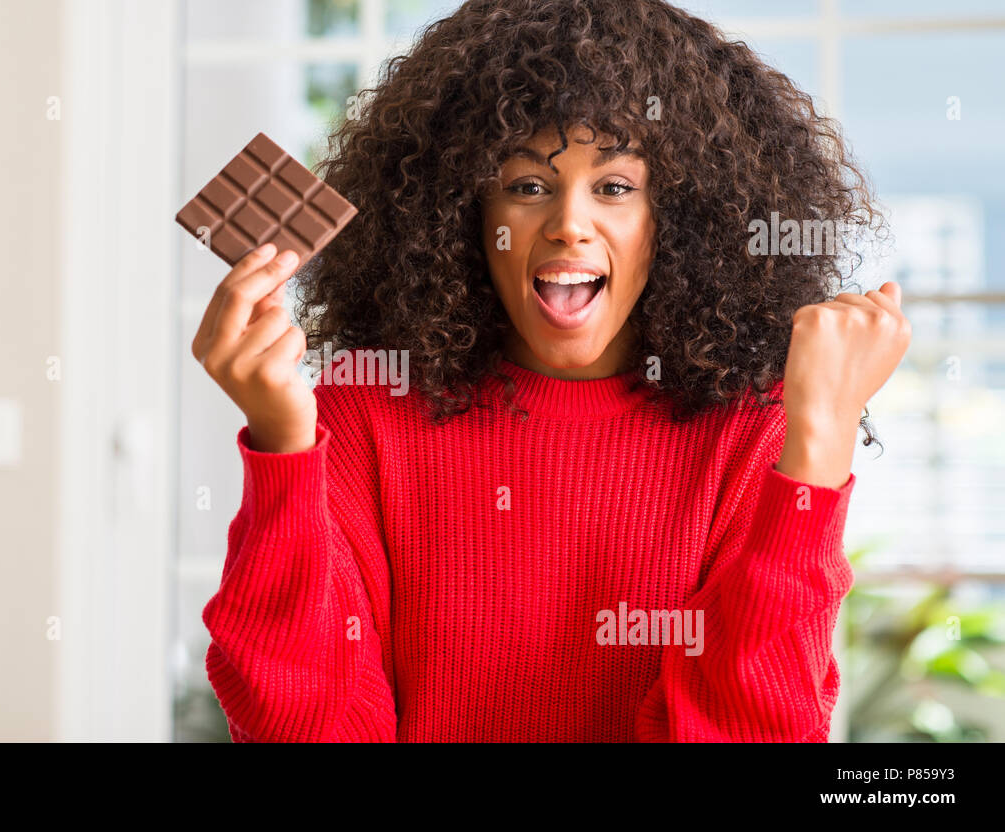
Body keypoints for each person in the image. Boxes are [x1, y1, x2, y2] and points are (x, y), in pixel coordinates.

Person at [190, 0, 911, 741]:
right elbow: (301, 724)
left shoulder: (752, 428)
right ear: (462, 212)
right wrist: (281, 444)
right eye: (528, 186)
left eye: (615, 187)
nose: (569, 223)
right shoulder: (366, 409)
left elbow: (749, 729)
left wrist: (820, 445)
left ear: (682, 217)